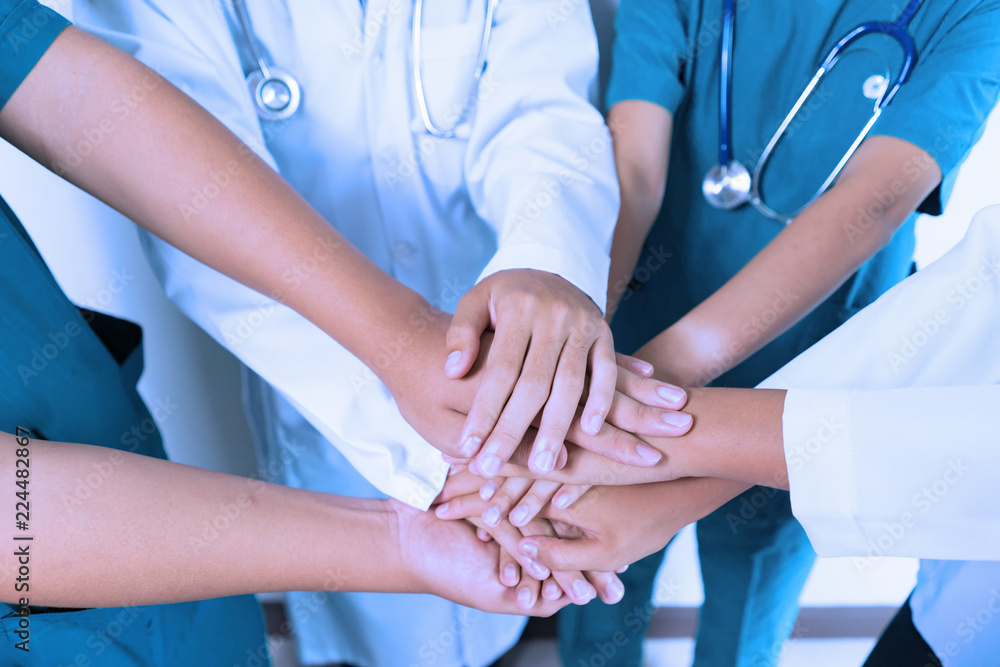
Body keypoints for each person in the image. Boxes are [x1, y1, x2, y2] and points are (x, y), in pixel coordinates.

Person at [71, 2, 693, 665]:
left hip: (504, 361)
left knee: (502, 599)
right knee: (382, 613)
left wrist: (547, 264)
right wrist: (455, 458)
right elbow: (189, 212)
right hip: (334, 393)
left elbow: (542, 108)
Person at [554, 0, 1000, 664]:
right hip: (635, 349)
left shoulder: (970, 14)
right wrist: (579, 352)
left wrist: (647, 387)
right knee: (594, 576)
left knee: (747, 600)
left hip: (811, 378)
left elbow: (874, 201)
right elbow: (634, 169)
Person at [508, 203, 1000, 667]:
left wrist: (658, 438)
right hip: (957, 606)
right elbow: (978, 299)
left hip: (805, 357)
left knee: (747, 595)